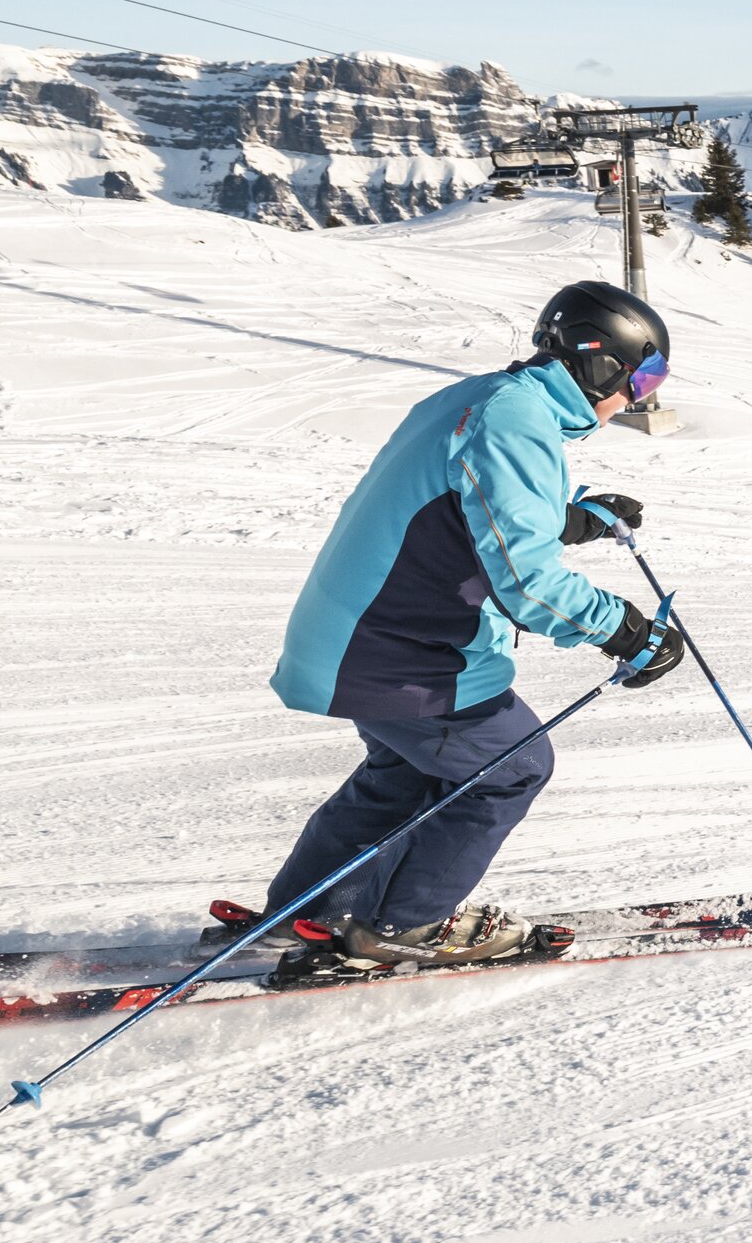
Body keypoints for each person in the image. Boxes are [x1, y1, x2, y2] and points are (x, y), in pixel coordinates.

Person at [257, 280, 690, 969]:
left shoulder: (484, 398)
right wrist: (629, 632)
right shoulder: (513, 420)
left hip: (354, 637)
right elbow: (525, 583)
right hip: (399, 649)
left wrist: (572, 519)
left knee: (404, 775)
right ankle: (403, 922)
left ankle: (304, 912)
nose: (641, 395)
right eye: (644, 374)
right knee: (512, 764)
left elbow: (468, 502)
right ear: (600, 360)